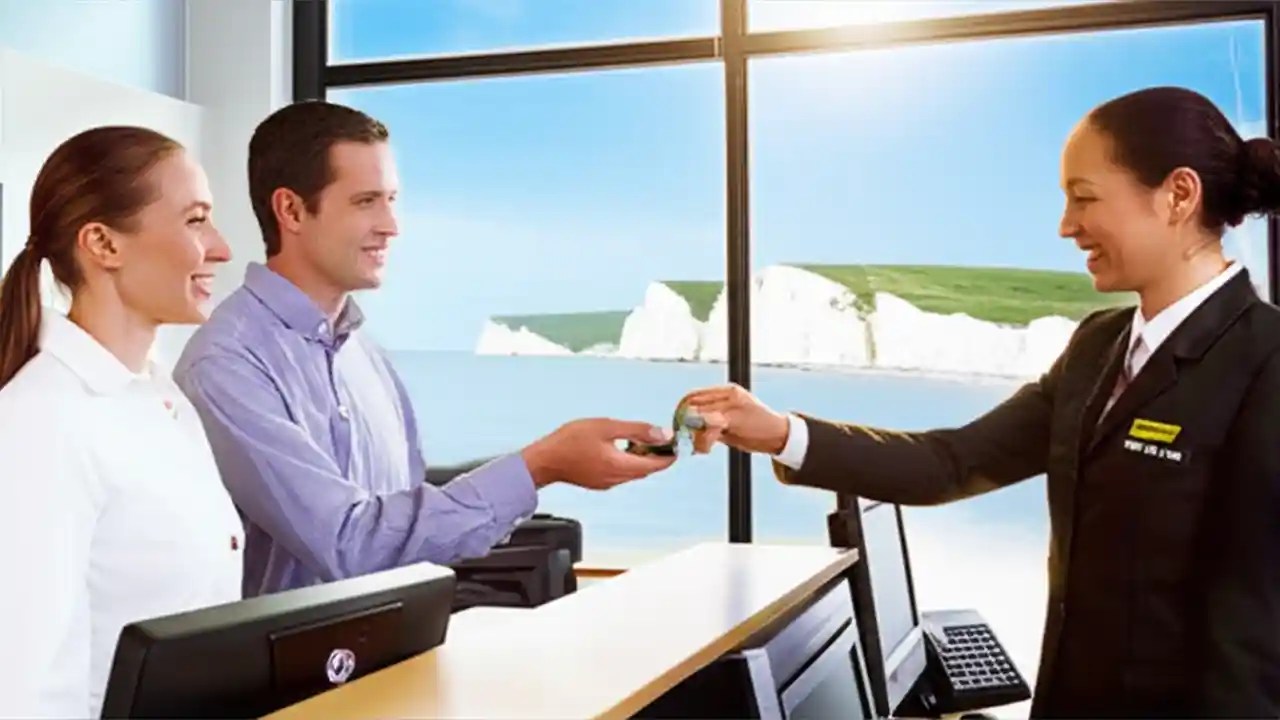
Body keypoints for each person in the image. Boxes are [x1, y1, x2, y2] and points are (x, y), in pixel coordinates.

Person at [682, 86, 1280, 717]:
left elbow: (1250, 634)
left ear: (1178, 196)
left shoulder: (1265, 362)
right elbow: (953, 462)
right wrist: (779, 432)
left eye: (1085, 197)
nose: (1066, 225)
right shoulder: (1097, 347)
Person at [173, 100, 676, 599]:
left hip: (396, 654)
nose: (392, 225)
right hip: (304, 677)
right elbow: (352, 544)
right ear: (291, 210)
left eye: (393, 199)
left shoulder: (367, 358)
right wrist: (541, 465)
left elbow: (407, 514)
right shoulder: (226, 365)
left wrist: (548, 462)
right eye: (366, 201)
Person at [0, 127, 241, 718]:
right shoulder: (41, 422)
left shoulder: (162, 399)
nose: (222, 247)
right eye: (195, 220)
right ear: (104, 244)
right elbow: (25, 688)